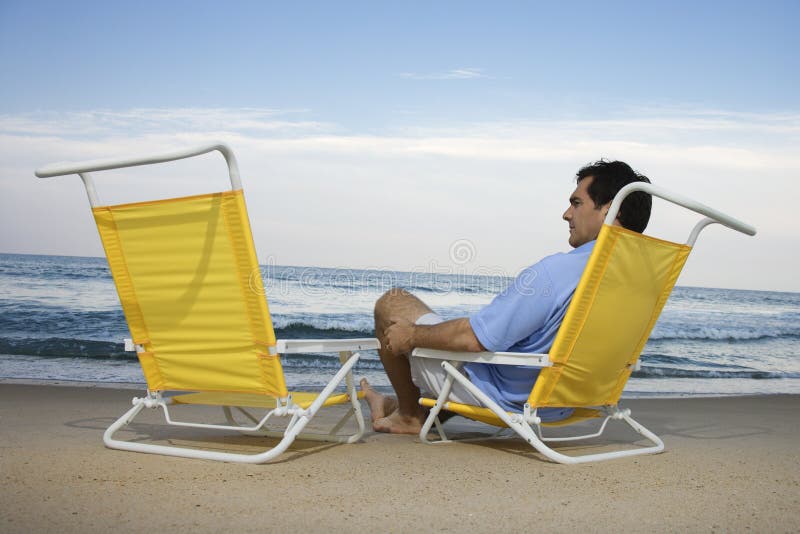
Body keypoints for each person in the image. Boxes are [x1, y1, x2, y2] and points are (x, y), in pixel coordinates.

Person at [361, 160, 652, 434]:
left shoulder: (559, 270)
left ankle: (409, 415)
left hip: (505, 398)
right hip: (562, 403)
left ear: (610, 210)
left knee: (393, 302)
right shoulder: (643, 282)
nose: (567, 214)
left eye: (577, 203)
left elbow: (474, 339)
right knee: (492, 346)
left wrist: (410, 335)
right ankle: (393, 405)